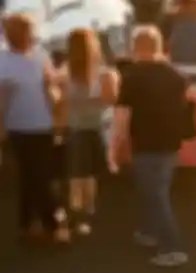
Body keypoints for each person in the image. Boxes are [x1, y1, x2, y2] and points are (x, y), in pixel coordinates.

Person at [114, 25, 191, 267]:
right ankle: (149, 232)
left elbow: (122, 116)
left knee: (155, 194)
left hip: (144, 142)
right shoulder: (175, 75)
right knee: (156, 190)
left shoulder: (131, 77)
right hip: (170, 142)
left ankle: (173, 247)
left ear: (136, 48)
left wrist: (117, 145)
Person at [0, 13, 67, 245]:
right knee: (39, 176)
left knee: (34, 176)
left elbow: (52, 91)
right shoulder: (4, 62)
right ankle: (53, 224)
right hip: (19, 128)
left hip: (42, 126)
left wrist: (57, 114)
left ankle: (28, 223)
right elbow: (2, 100)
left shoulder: (40, 57)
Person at [58, 28, 119, 236]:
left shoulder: (65, 73)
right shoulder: (105, 74)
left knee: (76, 175)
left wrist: (58, 128)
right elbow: (111, 100)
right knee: (91, 175)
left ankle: (76, 216)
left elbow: (61, 103)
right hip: (98, 128)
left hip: (75, 128)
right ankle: (87, 213)